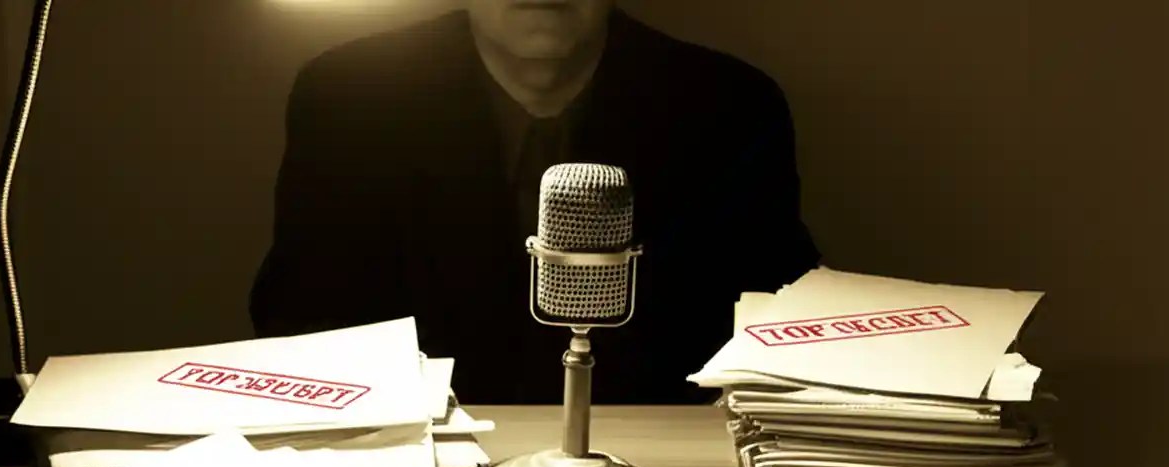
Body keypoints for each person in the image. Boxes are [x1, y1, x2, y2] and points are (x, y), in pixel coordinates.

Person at [250, 0, 820, 404]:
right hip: (418, 460)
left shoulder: (731, 106)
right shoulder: (347, 97)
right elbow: (301, 318)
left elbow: (774, 334)